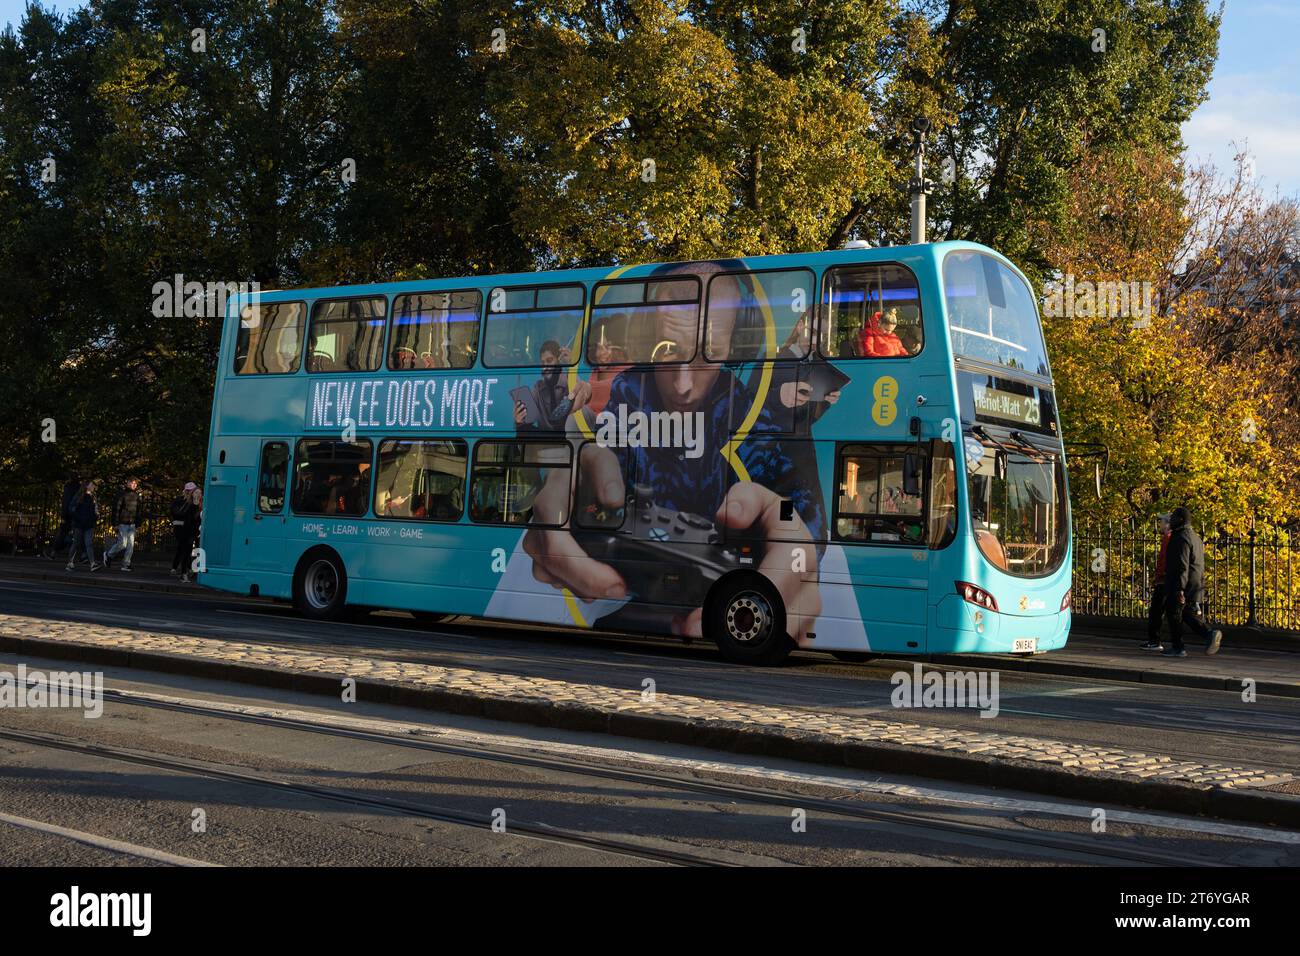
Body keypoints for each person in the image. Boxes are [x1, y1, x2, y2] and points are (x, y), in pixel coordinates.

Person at [522, 262, 825, 642]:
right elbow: (587, 466)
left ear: (737, 346)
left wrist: (802, 546)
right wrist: (559, 480)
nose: (683, 386)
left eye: (709, 353)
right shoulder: (626, 395)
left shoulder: (761, 421)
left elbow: (804, 514)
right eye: (667, 351)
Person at [1162, 506, 1223, 657]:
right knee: (1188, 614)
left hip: (1182, 584)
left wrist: (1179, 589)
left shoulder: (1180, 538)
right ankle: (1209, 634)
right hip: (1195, 583)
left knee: (1174, 614)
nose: (1171, 521)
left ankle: (1178, 647)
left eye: (1174, 518)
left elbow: (1181, 566)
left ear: (1181, 519)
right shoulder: (1195, 537)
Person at [513, 340, 592, 431]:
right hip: (547, 441)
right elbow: (526, 422)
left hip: (568, 439)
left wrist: (571, 365)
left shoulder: (569, 380)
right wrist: (519, 421)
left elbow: (583, 393)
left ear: (558, 361)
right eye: (543, 362)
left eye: (549, 361)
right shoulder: (538, 388)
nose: (545, 367)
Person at [1140, 513, 1173, 651]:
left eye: (1161, 521)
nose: (1159, 524)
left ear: (1167, 524)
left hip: (1163, 580)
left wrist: (1160, 574)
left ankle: (1154, 641)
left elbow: (1165, 559)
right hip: (1166, 579)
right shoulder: (1168, 538)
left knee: (1156, 611)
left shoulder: (1168, 538)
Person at [102, 478, 142, 571]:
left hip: (132, 524)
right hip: (122, 523)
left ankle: (126, 564)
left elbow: (139, 511)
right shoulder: (121, 494)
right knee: (123, 544)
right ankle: (108, 555)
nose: (134, 485)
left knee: (130, 546)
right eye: (132, 483)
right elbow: (116, 509)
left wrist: (138, 524)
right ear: (127, 483)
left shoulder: (136, 496)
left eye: (135, 484)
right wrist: (115, 523)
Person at [65, 480, 100, 571]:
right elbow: (72, 509)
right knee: (76, 543)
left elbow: (96, 509)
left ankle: (92, 564)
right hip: (79, 524)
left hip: (89, 524)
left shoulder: (93, 496)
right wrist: (79, 518)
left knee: (89, 543)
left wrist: (95, 516)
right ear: (87, 486)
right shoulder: (79, 496)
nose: (93, 486)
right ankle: (70, 562)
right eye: (91, 485)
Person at [48, 472, 80, 559]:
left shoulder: (68, 487)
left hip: (68, 513)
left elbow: (66, 502)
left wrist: (64, 514)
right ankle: (82, 554)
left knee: (63, 532)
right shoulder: (79, 487)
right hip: (77, 513)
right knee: (78, 533)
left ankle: (54, 552)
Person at [170, 483, 198, 576]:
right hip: (183, 527)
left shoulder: (188, 501)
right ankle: (184, 569)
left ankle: (178, 568)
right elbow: (178, 513)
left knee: (184, 548)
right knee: (184, 548)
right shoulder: (184, 501)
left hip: (185, 527)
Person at [181, 488, 203, 583]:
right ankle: (184, 573)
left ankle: (195, 571)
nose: (198, 494)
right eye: (196, 492)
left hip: (199, 531)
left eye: (200, 493)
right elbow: (186, 518)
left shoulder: (202, 506)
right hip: (189, 531)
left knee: (199, 552)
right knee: (187, 552)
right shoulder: (189, 505)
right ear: (192, 494)